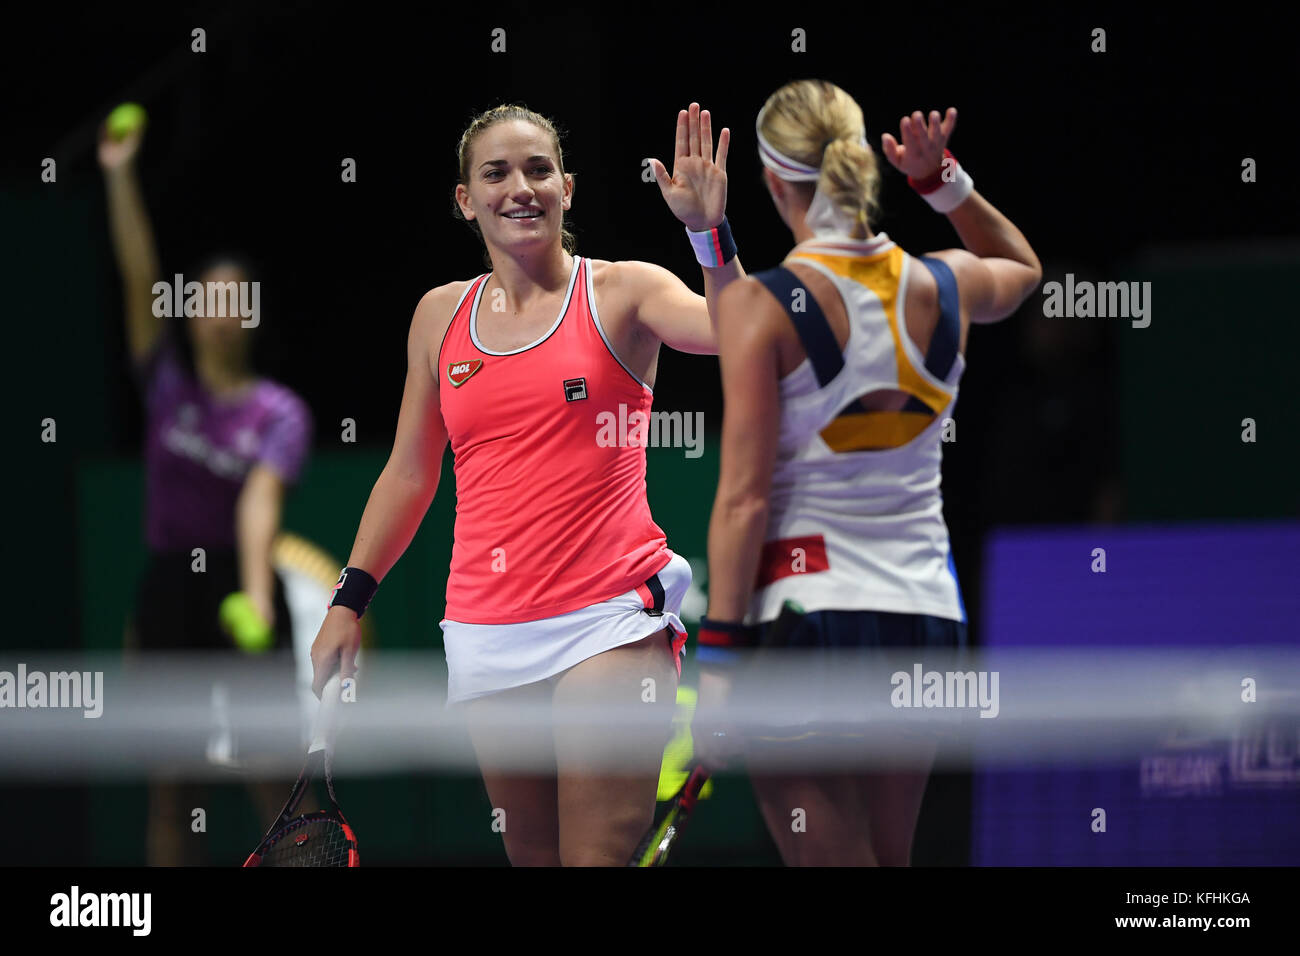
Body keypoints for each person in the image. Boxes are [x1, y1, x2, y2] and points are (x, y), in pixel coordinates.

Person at [310, 103, 745, 865]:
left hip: (608, 621)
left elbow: (742, 335)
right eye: (497, 173)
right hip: (484, 633)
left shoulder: (625, 292)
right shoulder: (438, 316)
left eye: (539, 170)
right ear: (464, 199)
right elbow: (411, 471)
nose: (522, 188)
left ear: (568, 189)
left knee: (595, 858)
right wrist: (350, 598)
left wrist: (709, 235)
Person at [695, 80, 1042, 865]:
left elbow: (744, 499)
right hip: (924, 617)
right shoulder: (945, 281)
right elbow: (1020, 264)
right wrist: (942, 183)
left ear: (774, 180)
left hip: (807, 615)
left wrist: (716, 659)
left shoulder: (762, 305)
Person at [98, 119, 314, 865]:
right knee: (172, 789)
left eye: (236, 299)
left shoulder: (278, 412)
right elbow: (136, 274)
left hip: (241, 585)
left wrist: (255, 595)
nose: (221, 310)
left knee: (278, 784)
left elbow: (260, 504)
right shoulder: (164, 388)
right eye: (207, 298)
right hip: (168, 593)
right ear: (186, 313)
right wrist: (120, 173)